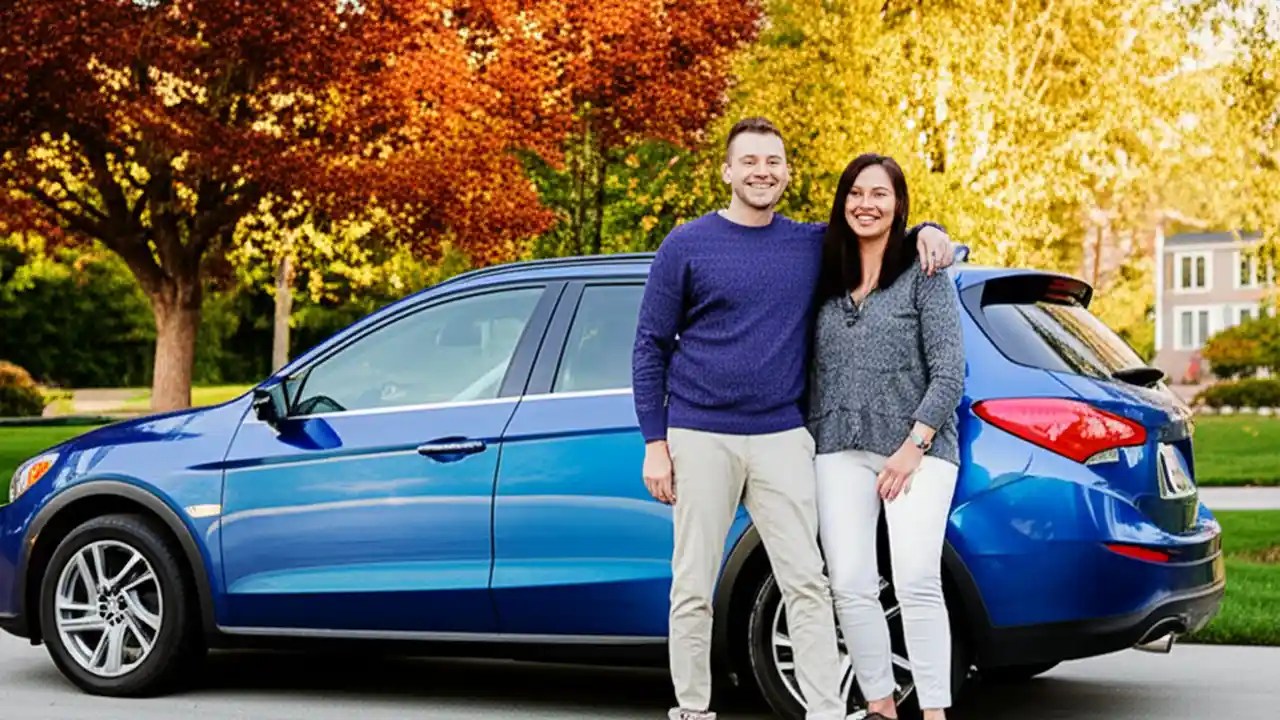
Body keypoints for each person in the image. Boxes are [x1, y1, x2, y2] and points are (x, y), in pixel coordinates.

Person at [631, 117, 958, 720]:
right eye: (749, 161)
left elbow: (880, 236)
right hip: (700, 433)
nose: (762, 171)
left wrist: (931, 231)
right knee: (694, 586)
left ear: (787, 172)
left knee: (807, 581)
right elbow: (650, 344)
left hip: (783, 435)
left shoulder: (810, 245)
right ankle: (693, 708)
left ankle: (826, 712)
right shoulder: (686, 244)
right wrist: (656, 441)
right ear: (727, 171)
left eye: (773, 162)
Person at [807, 153, 965, 720]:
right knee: (848, 582)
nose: (865, 204)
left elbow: (950, 369)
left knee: (917, 579)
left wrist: (913, 445)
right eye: (855, 192)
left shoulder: (924, 275)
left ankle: (933, 712)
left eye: (880, 194)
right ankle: (880, 705)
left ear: (898, 204)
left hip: (917, 452)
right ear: (842, 200)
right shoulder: (824, 272)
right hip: (838, 447)